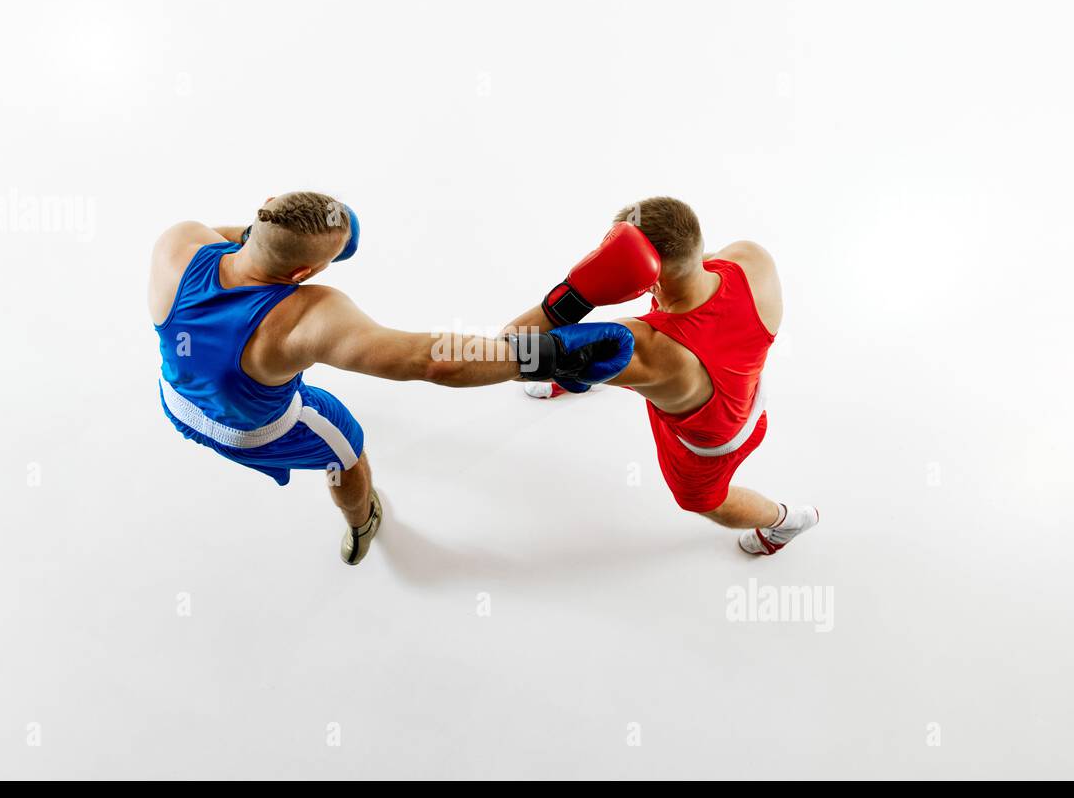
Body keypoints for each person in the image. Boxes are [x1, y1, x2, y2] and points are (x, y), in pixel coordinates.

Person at [148, 191, 633, 565]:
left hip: (176, 400)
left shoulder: (179, 242)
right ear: (303, 272)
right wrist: (543, 355)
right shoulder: (307, 316)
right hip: (255, 432)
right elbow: (430, 359)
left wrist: (288, 237)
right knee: (348, 455)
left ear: (265, 206)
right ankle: (362, 521)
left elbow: (246, 241)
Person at [503, 197, 818, 555]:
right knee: (634, 348)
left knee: (703, 502)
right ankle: (572, 374)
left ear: (651, 277)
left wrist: (577, 294)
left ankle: (786, 521)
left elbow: (510, 349)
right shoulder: (749, 257)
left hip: (708, 447)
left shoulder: (655, 347)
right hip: (736, 392)